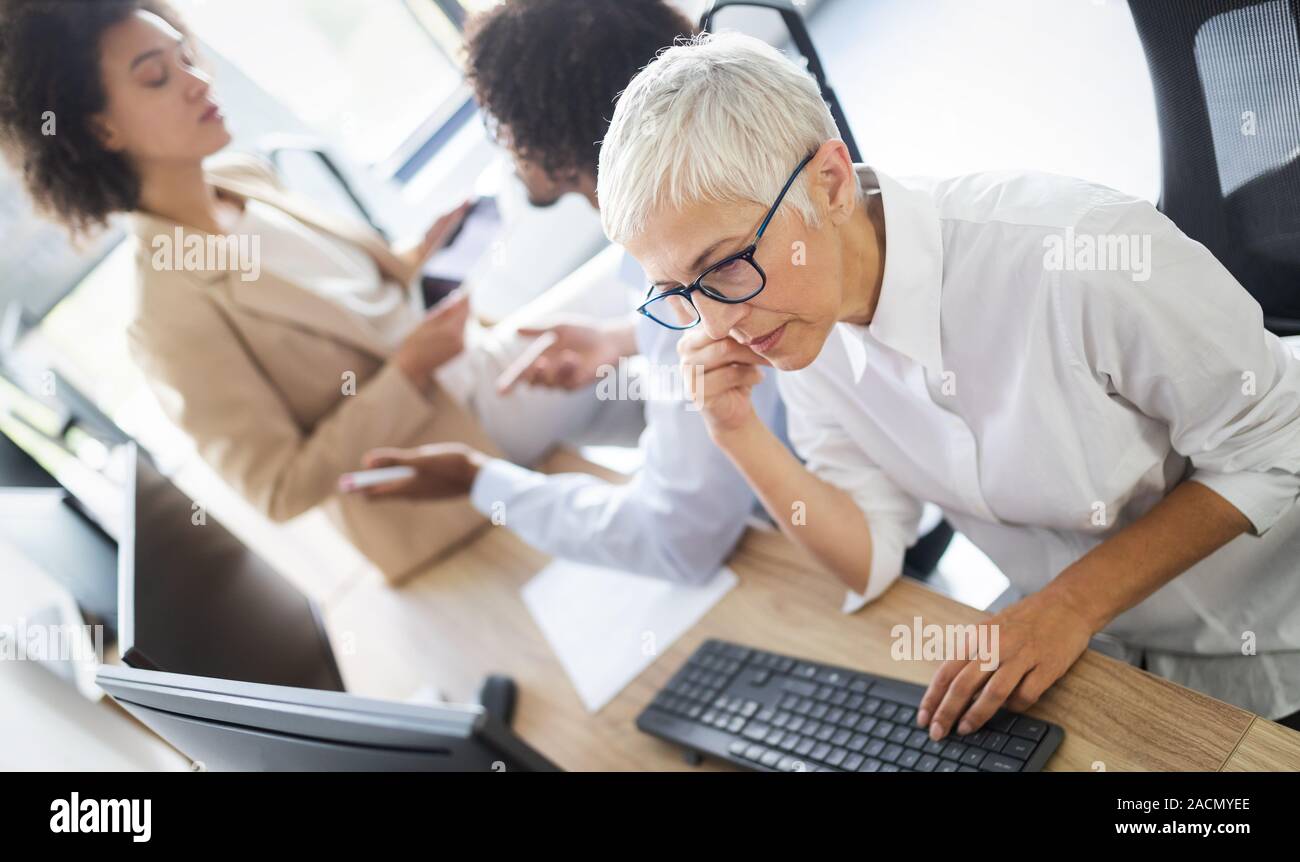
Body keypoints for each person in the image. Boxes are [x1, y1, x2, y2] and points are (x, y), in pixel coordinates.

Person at [594, 32, 1300, 731]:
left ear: (831, 183)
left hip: (1268, 635)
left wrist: (1072, 604)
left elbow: (1275, 444)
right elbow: (869, 556)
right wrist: (735, 431)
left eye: (723, 265)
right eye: (678, 292)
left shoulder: (1074, 254)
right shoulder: (801, 330)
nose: (716, 326)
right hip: (1097, 659)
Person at [0, 0, 615, 581]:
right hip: (446, 448)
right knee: (654, 335)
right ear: (102, 130)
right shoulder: (166, 316)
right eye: (157, 77)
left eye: (185, 55)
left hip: (474, 365)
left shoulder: (241, 179)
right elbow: (278, 486)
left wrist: (413, 259)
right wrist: (408, 371)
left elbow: (346, 300)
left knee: (644, 322)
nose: (197, 80)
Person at [362, 0, 791, 583]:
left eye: (496, 117)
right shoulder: (736, 187)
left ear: (549, 140)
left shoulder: (684, 289)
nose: (500, 141)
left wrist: (479, 480)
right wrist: (624, 340)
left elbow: (678, 540)